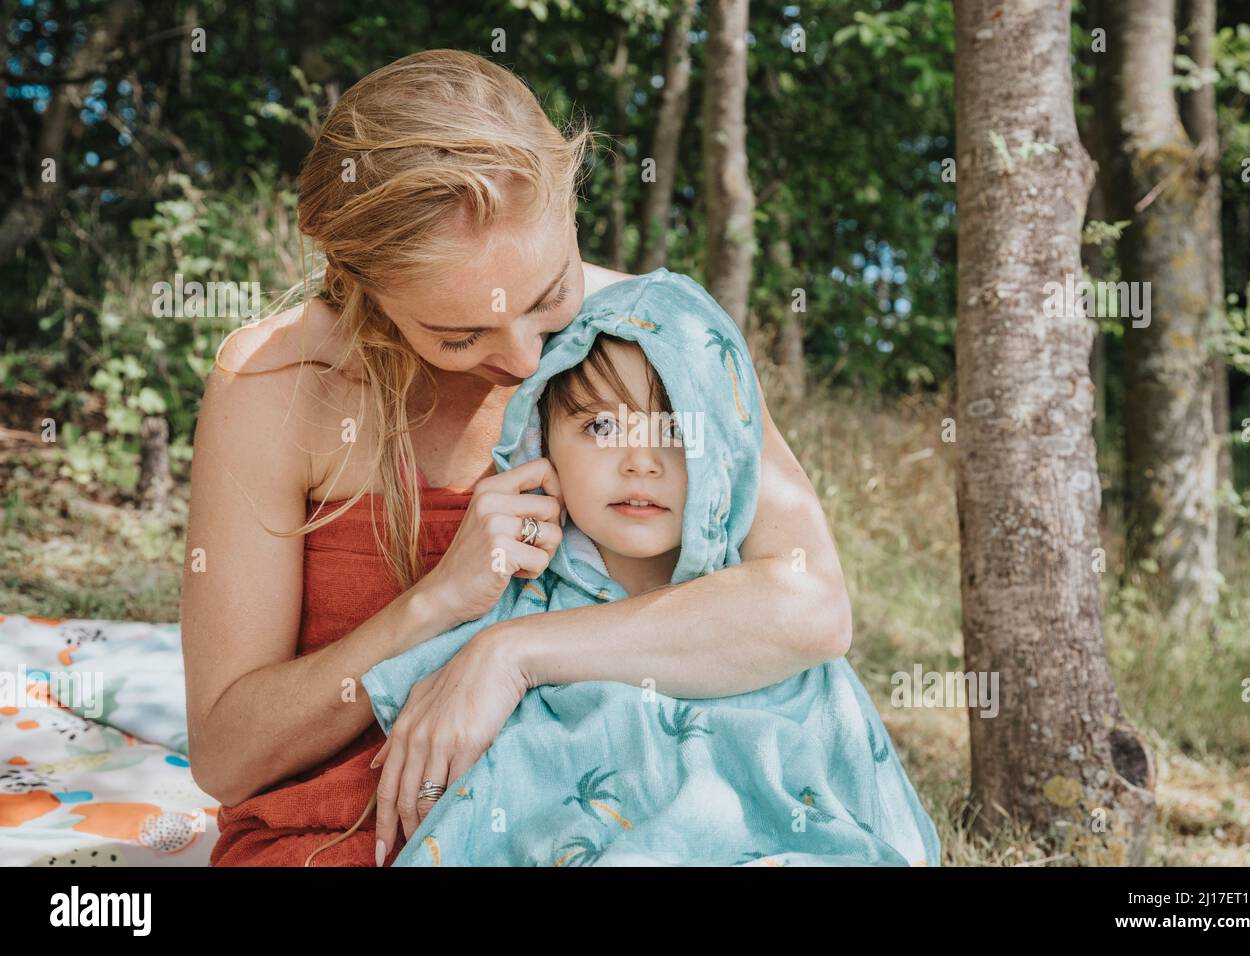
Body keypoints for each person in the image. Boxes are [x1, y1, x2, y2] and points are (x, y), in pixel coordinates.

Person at [184, 49, 855, 867]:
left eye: (550, 299)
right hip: (350, 841)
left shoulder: (648, 334)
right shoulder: (279, 383)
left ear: (570, 203)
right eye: (457, 336)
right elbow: (227, 756)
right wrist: (434, 606)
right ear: (361, 283)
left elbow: (811, 604)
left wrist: (510, 656)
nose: (523, 356)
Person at [313, 271, 941, 866]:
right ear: (540, 442)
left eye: (675, 428)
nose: (641, 461)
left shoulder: (761, 616)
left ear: (721, 452)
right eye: (601, 425)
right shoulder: (510, 603)